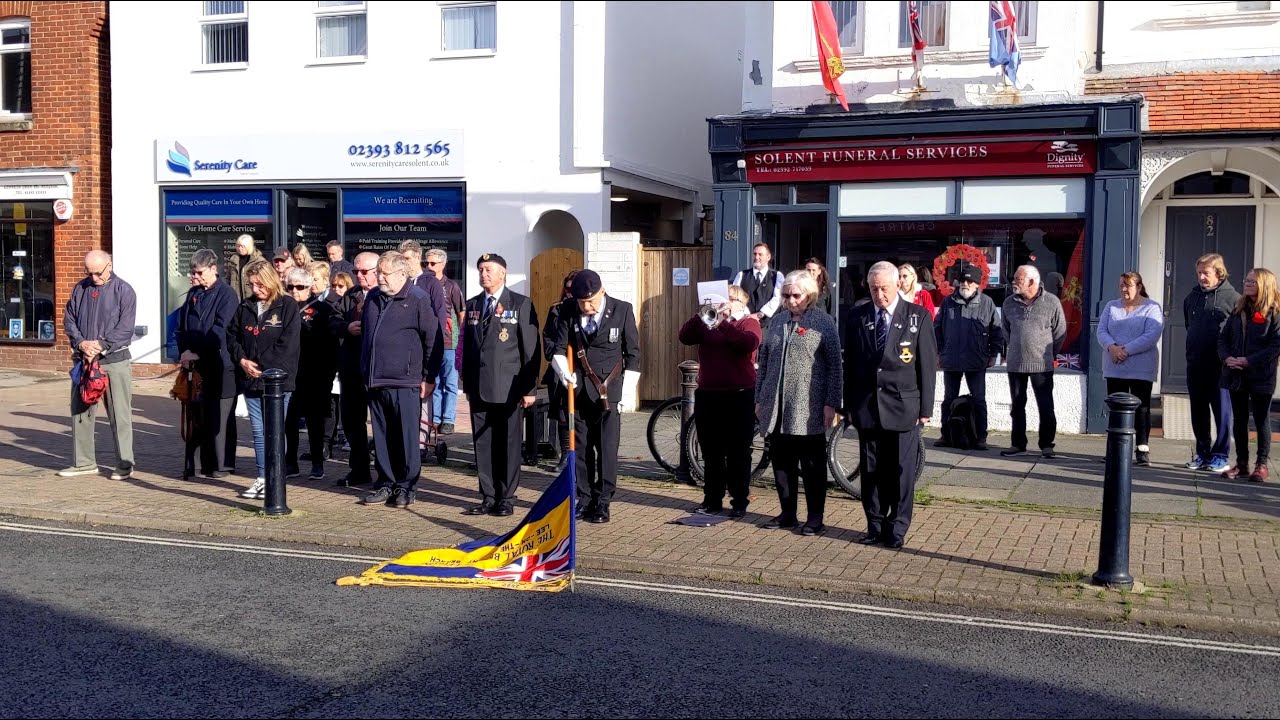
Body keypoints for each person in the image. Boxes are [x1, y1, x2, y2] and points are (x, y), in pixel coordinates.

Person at [843, 261, 937, 548]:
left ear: (898, 284)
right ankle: (874, 524)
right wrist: (847, 406)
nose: (879, 294)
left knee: (900, 472)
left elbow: (928, 365)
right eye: (874, 288)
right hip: (868, 407)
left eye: (884, 288)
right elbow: (852, 365)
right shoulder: (858, 316)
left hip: (903, 406)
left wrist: (926, 409)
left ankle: (897, 527)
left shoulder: (917, 316)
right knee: (871, 470)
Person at [550, 269, 642, 524]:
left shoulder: (622, 309)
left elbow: (633, 353)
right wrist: (563, 371)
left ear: (602, 291)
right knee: (579, 448)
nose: (586, 306)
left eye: (590, 301)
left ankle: (603, 501)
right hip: (577, 389)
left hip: (608, 391)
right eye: (582, 302)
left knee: (606, 448)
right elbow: (557, 347)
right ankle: (585, 497)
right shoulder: (569, 309)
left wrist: (626, 392)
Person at [756, 270, 841, 536]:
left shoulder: (823, 322)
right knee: (781, 462)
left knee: (813, 465)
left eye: (796, 295)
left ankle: (815, 518)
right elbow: (765, 362)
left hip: (809, 405)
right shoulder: (777, 321)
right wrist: (760, 398)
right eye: (786, 295)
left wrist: (831, 403)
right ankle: (787, 513)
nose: (791, 300)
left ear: (810, 295)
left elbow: (835, 366)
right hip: (776, 405)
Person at [357, 251, 441, 509]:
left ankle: (406, 486)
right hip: (375, 380)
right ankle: (385, 482)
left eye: (385, 273)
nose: (379, 278)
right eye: (378, 272)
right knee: (382, 437)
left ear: (402, 274)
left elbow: (433, 341)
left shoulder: (417, 299)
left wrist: (428, 376)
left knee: (405, 437)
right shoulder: (373, 297)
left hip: (405, 381)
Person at [461, 253, 541, 516]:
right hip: (479, 387)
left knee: (507, 443)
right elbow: (470, 349)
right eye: (481, 269)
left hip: (509, 388)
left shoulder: (520, 303)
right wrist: (467, 385)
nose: (484, 274)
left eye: (489, 270)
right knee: (483, 444)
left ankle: (506, 497)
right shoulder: (473, 305)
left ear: (503, 273)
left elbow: (530, 350)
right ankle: (487, 495)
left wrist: (529, 389)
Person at [679, 285, 763, 519]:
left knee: (738, 452)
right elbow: (685, 336)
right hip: (709, 393)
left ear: (741, 303)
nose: (725, 302)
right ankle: (712, 499)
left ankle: (739, 501)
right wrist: (701, 315)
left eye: (731, 298)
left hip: (739, 394)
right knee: (711, 451)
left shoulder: (748, 322)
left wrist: (723, 323)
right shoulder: (707, 323)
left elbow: (747, 345)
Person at [60, 250, 138, 480]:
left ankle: (125, 464)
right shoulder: (80, 289)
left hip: (114, 361)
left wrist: (101, 345)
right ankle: (83, 462)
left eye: (98, 272)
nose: (93, 277)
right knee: (81, 412)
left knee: (119, 415)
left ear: (110, 265)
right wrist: (81, 343)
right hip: (84, 360)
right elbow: (69, 318)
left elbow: (126, 328)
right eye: (89, 272)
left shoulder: (124, 290)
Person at [226, 261, 301, 500]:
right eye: (251, 284)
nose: (255, 289)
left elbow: (288, 344)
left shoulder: (287, 305)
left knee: (275, 430)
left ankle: (275, 478)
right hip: (250, 380)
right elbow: (231, 336)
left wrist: (261, 364)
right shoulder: (246, 306)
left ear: (270, 281)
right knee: (258, 431)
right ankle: (262, 477)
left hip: (277, 381)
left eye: (260, 284)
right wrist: (242, 361)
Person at [176, 249, 239, 480]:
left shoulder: (227, 294)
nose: (194, 276)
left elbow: (221, 330)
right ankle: (204, 463)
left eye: (199, 272)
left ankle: (222, 465)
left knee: (220, 417)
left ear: (213, 269)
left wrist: (198, 353)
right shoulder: (193, 293)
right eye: (192, 272)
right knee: (199, 416)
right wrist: (184, 350)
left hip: (221, 365)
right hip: (196, 365)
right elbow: (182, 326)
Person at [1218, 268, 1280, 483]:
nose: (1247, 283)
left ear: (1264, 284)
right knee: (1240, 419)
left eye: (1252, 281)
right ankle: (1242, 464)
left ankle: (1261, 465)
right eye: (1246, 280)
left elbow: (1276, 345)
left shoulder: (1274, 311)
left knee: (1262, 419)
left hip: (1261, 375)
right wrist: (1227, 358)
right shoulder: (1239, 308)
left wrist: (1249, 361)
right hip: (1236, 374)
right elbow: (1223, 339)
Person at [1097, 272, 1164, 466]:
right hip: (1114, 367)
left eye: (1128, 285)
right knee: (1116, 407)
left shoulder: (1151, 308)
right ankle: (1115, 448)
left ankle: (1142, 449)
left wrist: (1125, 351)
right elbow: (1102, 331)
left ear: (1139, 287)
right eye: (1121, 286)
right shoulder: (1111, 306)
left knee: (1142, 409)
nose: (1124, 289)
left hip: (1141, 367)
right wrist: (1112, 348)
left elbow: (1151, 335)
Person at [934, 264, 1003, 451]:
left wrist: (994, 353)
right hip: (951, 359)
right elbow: (937, 328)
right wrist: (939, 352)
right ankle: (946, 434)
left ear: (977, 283)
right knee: (948, 398)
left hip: (976, 359)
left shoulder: (987, 303)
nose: (965, 283)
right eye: (963, 280)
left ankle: (981, 437)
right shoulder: (948, 302)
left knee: (979, 399)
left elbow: (996, 331)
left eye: (970, 281)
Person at [1000, 265, 1066, 459]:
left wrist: (1049, 354)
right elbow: (1006, 331)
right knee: (1017, 406)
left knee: (1045, 406)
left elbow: (1060, 332)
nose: (1014, 282)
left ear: (1031, 282)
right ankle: (1018, 444)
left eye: (1018, 279)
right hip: (1016, 363)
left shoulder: (1051, 302)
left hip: (1041, 365)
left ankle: (1047, 444)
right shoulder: (1008, 303)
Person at [1184, 253, 1239, 473]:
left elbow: (1237, 333)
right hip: (1195, 362)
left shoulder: (1233, 298)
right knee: (1198, 411)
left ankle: (1221, 455)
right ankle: (1202, 453)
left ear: (1219, 273)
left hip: (1220, 366)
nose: (1201, 277)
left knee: (1222, 411)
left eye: (1206, 273)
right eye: (1199, 273)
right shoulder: (1192, 297)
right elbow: (1190, 325)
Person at [282, 267, 338, 481]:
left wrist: (329, 373)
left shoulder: (323, 309)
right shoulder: (283, 308)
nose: (295, 291)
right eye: (290, 287)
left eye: (300, 287)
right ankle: (290, 463)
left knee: (315, 421)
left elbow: (330, 344)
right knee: (289, 420)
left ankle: (317, 463)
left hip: (315, 374)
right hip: (290, 373)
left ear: (309, 287)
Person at [332, 252, 379, 488]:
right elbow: (333, 319)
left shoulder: (386, 295)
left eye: (364, 272)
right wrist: (346, 327)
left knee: (381, 423)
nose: (359, 276)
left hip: (378, 369)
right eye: (356, 271)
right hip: (352, 368)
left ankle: (384, 472)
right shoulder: (352, 295)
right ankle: (359, 469)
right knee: (352, 420)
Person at [425, 247, 465, 435]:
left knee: (449, 382)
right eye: (427, 263)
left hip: (449, 342)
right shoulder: (424, 284)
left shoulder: (451, 286)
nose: (429, 267)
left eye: (433, 263)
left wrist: (461, 336)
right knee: (435, 380)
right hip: (431, 341)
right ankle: (435, 417)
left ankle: (448, 419)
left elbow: (461, 312)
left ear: (443, 264)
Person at [542, 270, 579, 474]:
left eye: (572, 289)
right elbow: (547, 334)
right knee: (563, 414)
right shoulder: (556, 310)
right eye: (566, 288)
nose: (568, 293)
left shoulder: (584, 310)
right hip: (559, 368)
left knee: (577, 414)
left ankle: (579, 454)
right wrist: (553, 353)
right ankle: (565, 454)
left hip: (579, 369)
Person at [732, 243, 783, 326]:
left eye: (760, 254)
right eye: (755, 254)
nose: (756, 257)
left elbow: (778, 298)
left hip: (769, 325)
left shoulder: (777, 276)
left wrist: (760, 314)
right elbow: (735, 297)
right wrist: (747, 315)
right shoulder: (741, 275)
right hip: (745, 322)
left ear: (768, 257)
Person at [226, 234, 264, 300]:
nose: (240, 248)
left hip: (253, 297)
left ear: (248, 247)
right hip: (235, 298)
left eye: (242, 246)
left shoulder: (259, 261)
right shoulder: (233, 260)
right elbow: (228, 278)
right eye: (238, 246)